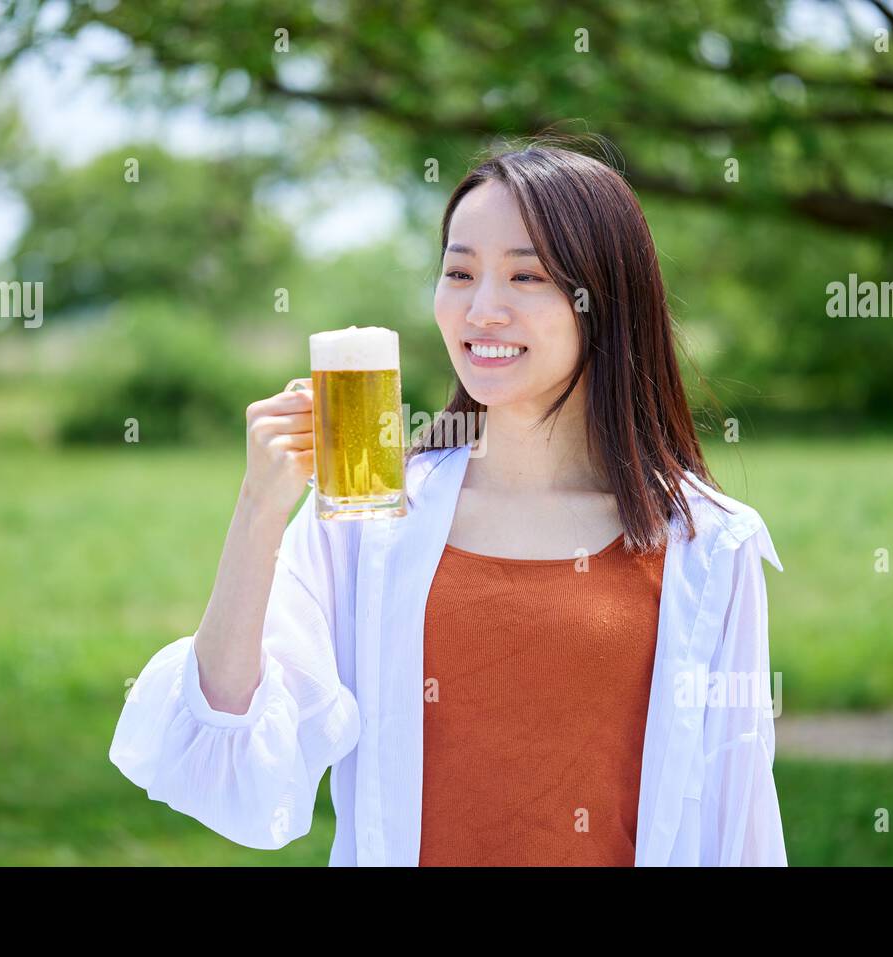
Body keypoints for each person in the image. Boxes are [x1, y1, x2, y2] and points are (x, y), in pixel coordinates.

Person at [110, 138, 788, 866]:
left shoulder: (706, 544)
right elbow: (234, 749)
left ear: (605, 300)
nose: (482, 308)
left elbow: (737, 816)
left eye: (526, 275)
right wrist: (257, 510)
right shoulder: (368, 516)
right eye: (459, 271)